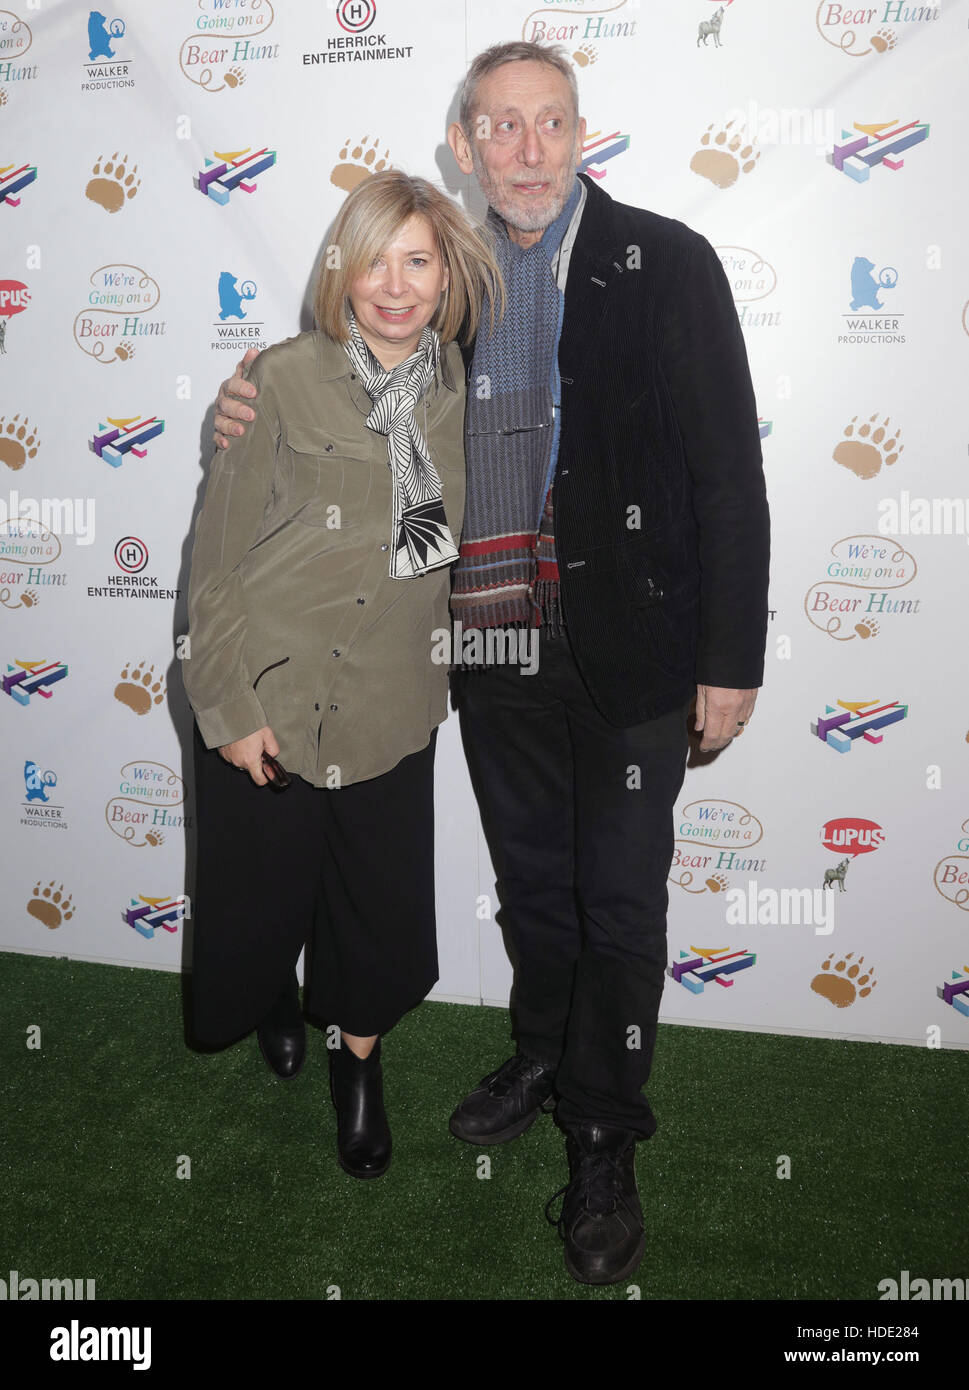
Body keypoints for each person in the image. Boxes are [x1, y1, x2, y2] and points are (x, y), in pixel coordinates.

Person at [213, 42, 770, 1284]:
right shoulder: (448, 279)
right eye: (500, 128)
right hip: (491, 635)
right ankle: (539, 1050)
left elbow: (732, 470)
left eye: (550, 125)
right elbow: (346, 383)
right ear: (466, 143)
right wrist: (238, 404)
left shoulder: (666, 262)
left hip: (634, 644)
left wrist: (731, 657)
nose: (526, 151)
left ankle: (605, 1133)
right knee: (534, 887)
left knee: (618, 903)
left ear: (583, 136)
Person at [184, 169, 502, 1181]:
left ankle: (356, 1066)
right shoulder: (277, 380)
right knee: (260, 898)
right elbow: (215, 558)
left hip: (390, 702)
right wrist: (229, 705)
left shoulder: (467, 389)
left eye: (419, 261)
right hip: (270, 690)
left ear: (447, 273)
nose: (396, 286)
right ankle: (273, 991)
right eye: (376, 260)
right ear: (341, 268)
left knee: (376, 911)